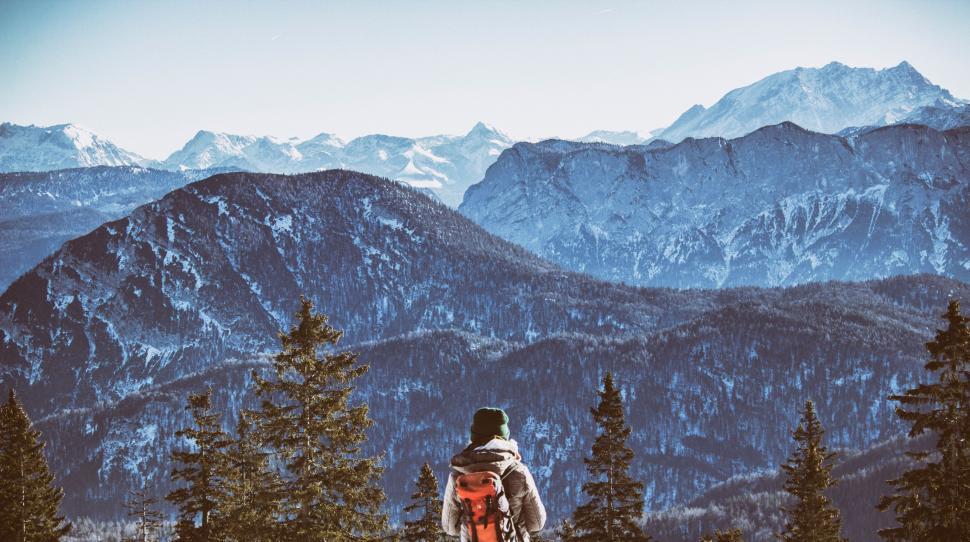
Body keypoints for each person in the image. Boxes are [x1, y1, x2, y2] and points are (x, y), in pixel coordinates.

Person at [442, 407, 547, 541]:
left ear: (474, 435)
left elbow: (450, 527)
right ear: (504, 435)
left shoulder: (458, 476)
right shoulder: (519, 472)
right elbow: (537, 523)